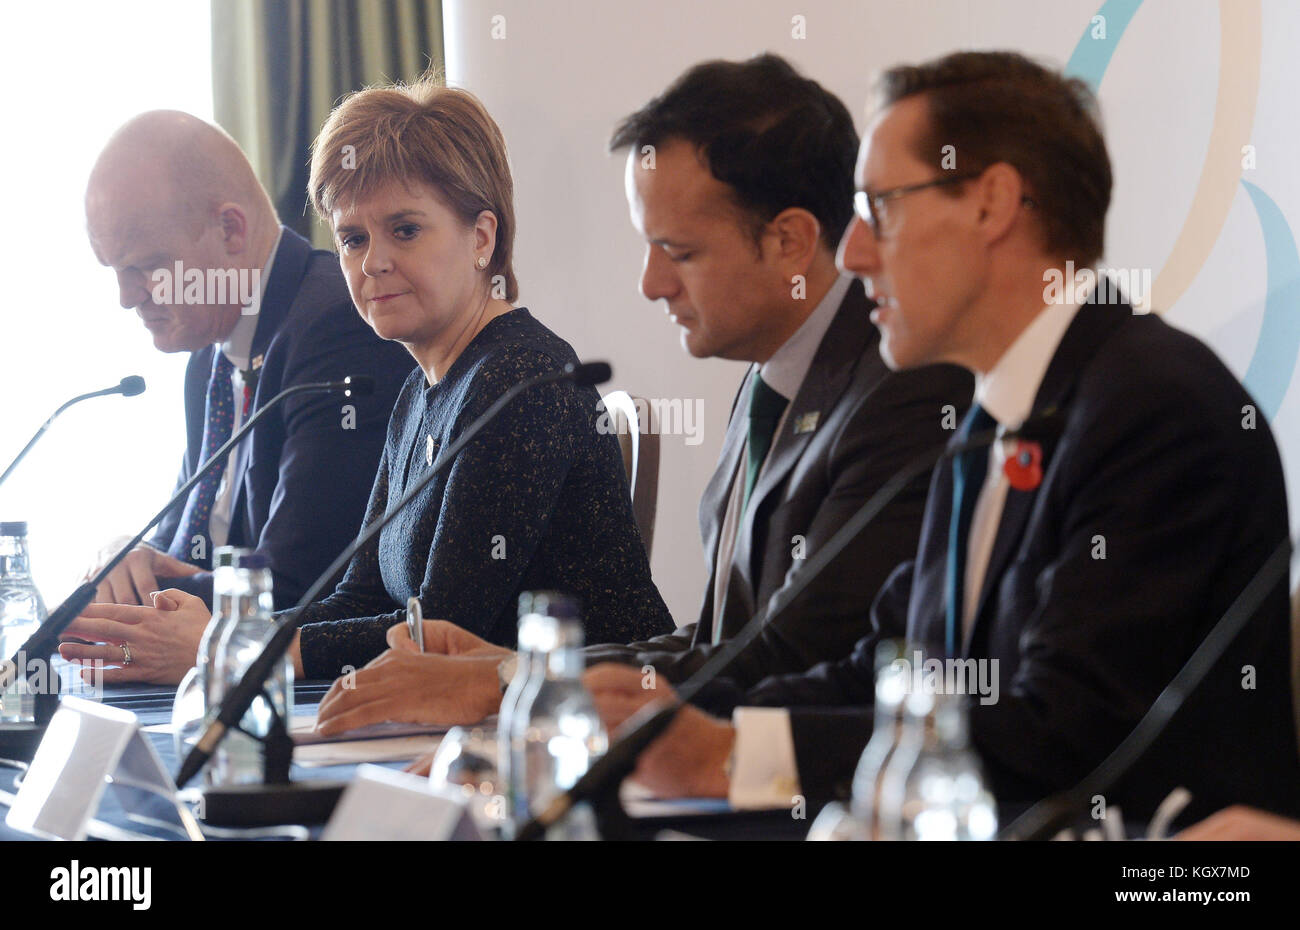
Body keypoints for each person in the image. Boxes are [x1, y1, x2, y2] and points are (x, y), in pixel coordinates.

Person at [583, 51, 1300, 826]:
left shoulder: (1157, 407)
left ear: (991, 204)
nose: (854, 253)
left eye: (879, 208)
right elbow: (888, 672)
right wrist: (665, 716)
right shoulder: (990, 414)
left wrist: (737, 755)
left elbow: (1063, 738)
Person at [313, 55, 972, 735]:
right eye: (353, 239)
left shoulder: (901, 395)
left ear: (790, 241)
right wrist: (515, 676)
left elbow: (790, 660)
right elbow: (717, 643)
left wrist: (511, 684)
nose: (650, 284)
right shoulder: (771, 377)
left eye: (677, 251)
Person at [61, 79, 673, 685]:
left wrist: (228, 648)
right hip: (473, 727)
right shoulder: (421, 389)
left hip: (598, 735)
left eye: (404, 230)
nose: (371, 261)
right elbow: (355, 598)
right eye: (353, 238)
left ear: (481, 237)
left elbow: (443, 630)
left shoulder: (522, 380)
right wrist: (216, 635)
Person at [77, 111, 414, 612]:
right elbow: (173, 552)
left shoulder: (337, 330)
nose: (127, 297)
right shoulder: (207, 363)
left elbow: (297, 585)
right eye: (115, 271)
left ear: (231, 229)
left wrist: (127, 601)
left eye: (145, 266)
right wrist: (120, 561)